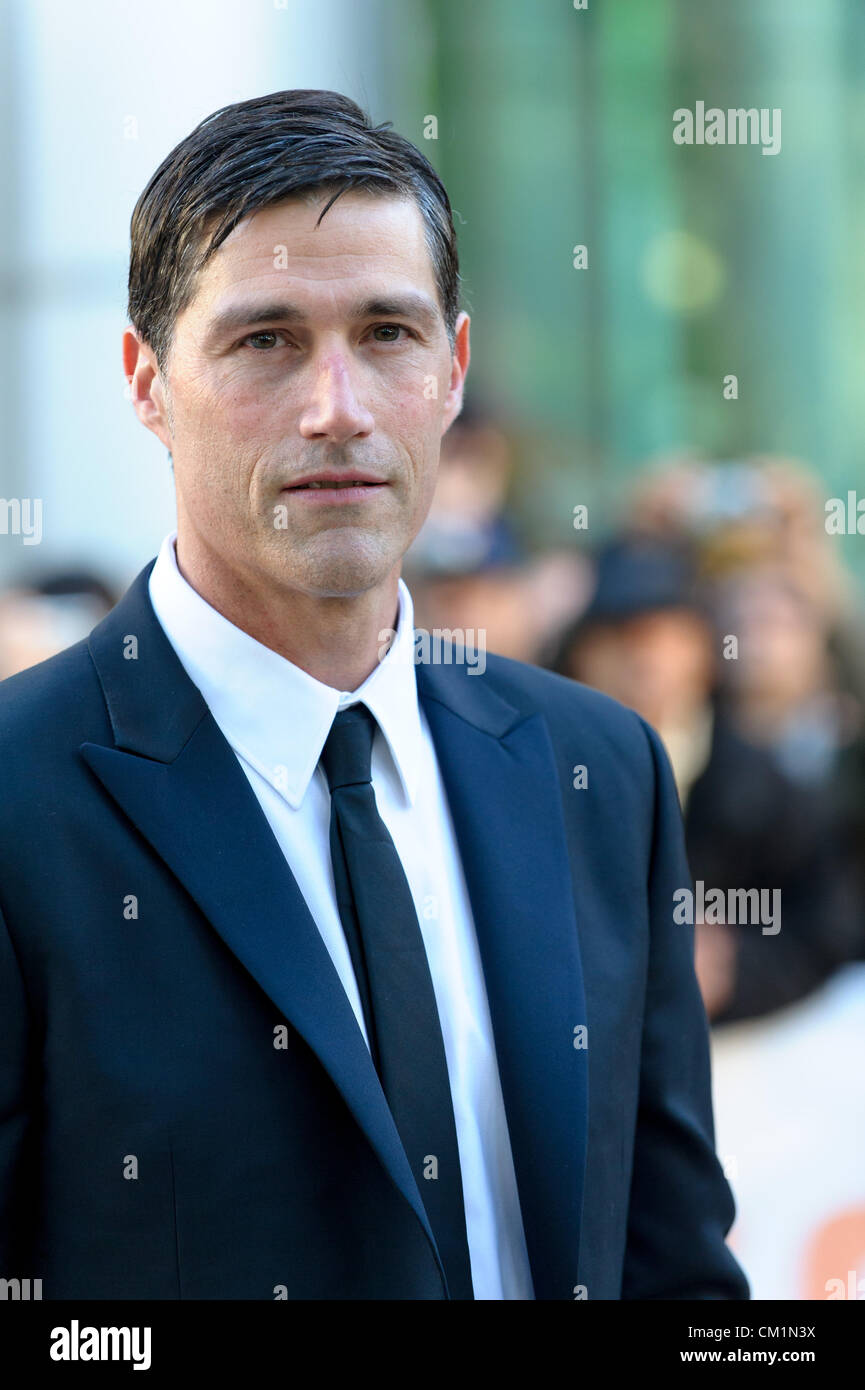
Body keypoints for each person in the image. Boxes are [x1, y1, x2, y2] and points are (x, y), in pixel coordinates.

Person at [0, 89, 748, 1301]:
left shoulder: (595, 770)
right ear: (145, 382)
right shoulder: (21, 800)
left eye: (386, 333)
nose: (336, 409)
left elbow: (672, 1270)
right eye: (266, 340)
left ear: (452, 368)